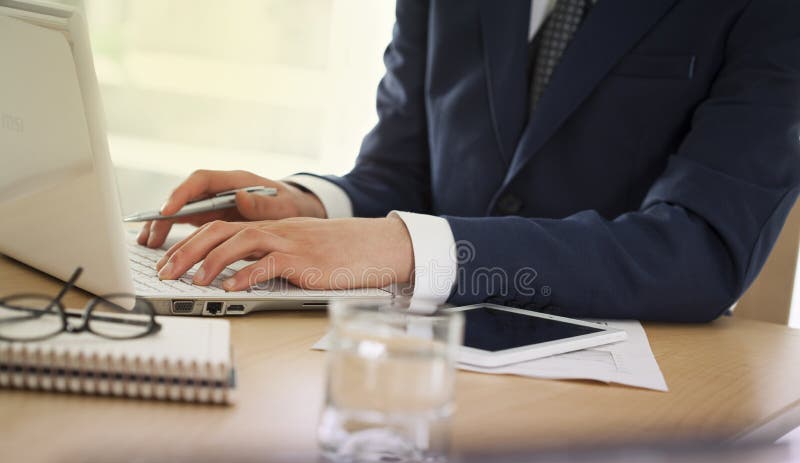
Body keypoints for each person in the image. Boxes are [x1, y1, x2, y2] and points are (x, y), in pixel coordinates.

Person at [138, 0, 800, 322]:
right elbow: (403, 173)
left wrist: (398, 244)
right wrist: (305, 207)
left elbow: (701, 250)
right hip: (421, 361)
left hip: (634, 412)